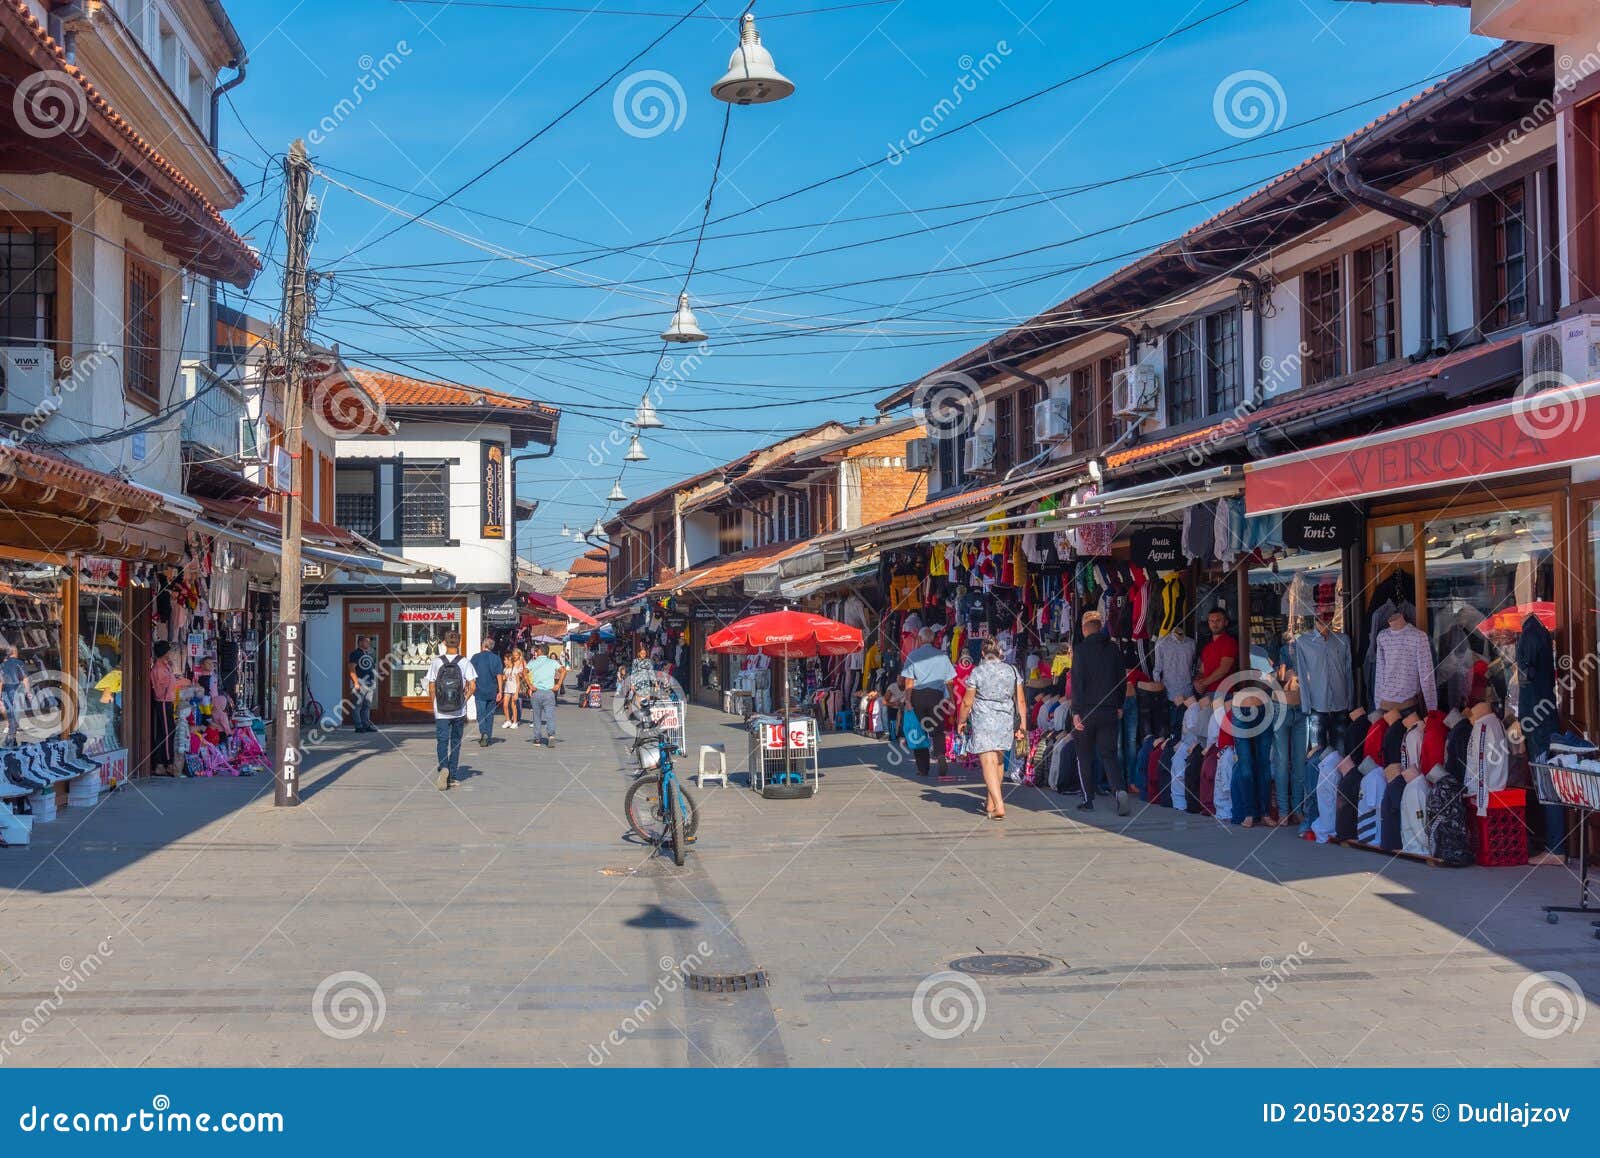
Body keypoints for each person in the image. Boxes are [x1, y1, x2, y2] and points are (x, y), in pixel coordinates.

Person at [956, 637, 1028, 820]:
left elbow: (966, 701)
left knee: (988, 761)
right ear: (1000, 652)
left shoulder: (977, 672)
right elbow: (1020, 700)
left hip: (983, 720)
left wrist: (961, 720)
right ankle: (990, 802)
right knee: (998, 761)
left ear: (982, 653)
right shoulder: (1012, 670)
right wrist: (1023, 726)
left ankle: (999, 805)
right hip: (1005, 719)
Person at [1071, 610, 1130, 815]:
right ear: (1100, 626)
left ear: (1085, 628)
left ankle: (1088, 799)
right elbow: (1122, 679)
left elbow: (1077, 683)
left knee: (1085, 755)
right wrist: (1120, 705)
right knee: (1109, 754)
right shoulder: (1113, 648)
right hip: (1109, 710)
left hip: (1087, 710)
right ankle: (1119, 790)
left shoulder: (1080, 650)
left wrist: (1075, 711)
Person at [901, 627, 957, 777]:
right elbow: (949, 681)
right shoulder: (943, 656)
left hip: (917, 696)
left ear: (919, 640)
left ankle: (923, 768)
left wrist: (907, 700)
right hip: (936, 696)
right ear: (933, 640)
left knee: (918, 732)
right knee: (938, 730)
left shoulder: (913, 655)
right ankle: (940, 755)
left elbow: (909, 681)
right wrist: (951, 699)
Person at [423, 631, 476, 790]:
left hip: (441, 709)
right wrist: (463, 700)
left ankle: (443, 767)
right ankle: (452, 776)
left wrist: (434, 703)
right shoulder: (465, 662)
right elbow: (472, 686)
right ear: (459, 643)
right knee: (455, 742)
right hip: (458, 710)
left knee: (442, 740)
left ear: (444, 644)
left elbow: (431, 685)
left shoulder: (437, 662)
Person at [149, 641, 183, 776]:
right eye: (169, 651)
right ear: (164, 653)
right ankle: (166, 763)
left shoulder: (165, 666)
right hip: (162, 702)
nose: (171, 653)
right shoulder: (158, 668)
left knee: (167, 732)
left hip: (167, 701)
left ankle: (162, 763)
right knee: (167, 733)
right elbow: (160, 689)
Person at [1193, 607, 1239, 696]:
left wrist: (1203, 683)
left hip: (1223, 692)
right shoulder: (1207, 647)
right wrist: (1197, 682)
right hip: (1207, 692)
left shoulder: (1228, 642)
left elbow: (1224, 669)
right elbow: (1202, 670)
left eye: (1218, 620)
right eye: (1211, 621)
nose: (1214, 624)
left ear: (1225, 622)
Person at [470, 637, 504, 747]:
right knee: (490, 714)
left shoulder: (475, 657)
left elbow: (471, 674)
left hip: (479, 690)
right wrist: (500, 691)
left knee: (481, 714)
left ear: (483, 645)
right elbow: (499, 675)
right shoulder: (496, 658)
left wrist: (469, 686)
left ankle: (483, 732)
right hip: (492, 690)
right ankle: (488, 736)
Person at [526, 647, 563, 747]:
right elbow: (563, 671)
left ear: (540, 652)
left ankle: (537, 738)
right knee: (549, 715)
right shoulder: (552, 662)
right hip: (549, 692)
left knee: (537, 716)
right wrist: (558, 685)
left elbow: (523, 672)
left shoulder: (533, 662)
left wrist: (529, 685)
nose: (536, 652)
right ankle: (551, 735)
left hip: (536, 691)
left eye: (537, 651)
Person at [347, 635, 378, 733]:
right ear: (360, 643)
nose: (368, 644)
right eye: (366, 642)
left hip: (369, 683)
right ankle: (358, 726)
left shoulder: (368, 654)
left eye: (369, 642)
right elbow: (351, 668)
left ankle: (366, 724)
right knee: (357, 705)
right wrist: (356, 683)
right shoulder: (355, 654)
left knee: (367, 705)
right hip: (360, 682)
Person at [0, 644, 28, 745]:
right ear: (15, 652)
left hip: (6, 691)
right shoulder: (19, 663)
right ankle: (11, 739)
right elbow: (24, 678)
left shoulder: (2, 665)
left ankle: (11, 739)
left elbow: (0, 682)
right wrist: (28, 692)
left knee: (11, 715)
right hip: (17, 691)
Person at [502, 648, 527, 729]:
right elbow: (504, 679)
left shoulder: (515, 669)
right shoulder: (505, 669)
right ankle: (508, 720)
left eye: (505, 660)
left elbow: (518, 682)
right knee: (505, 705)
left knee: (513, 706)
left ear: (510, 660)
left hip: (514, 689)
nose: (504, 662)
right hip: (507, 689)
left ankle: (515, 721)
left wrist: (516, 693)